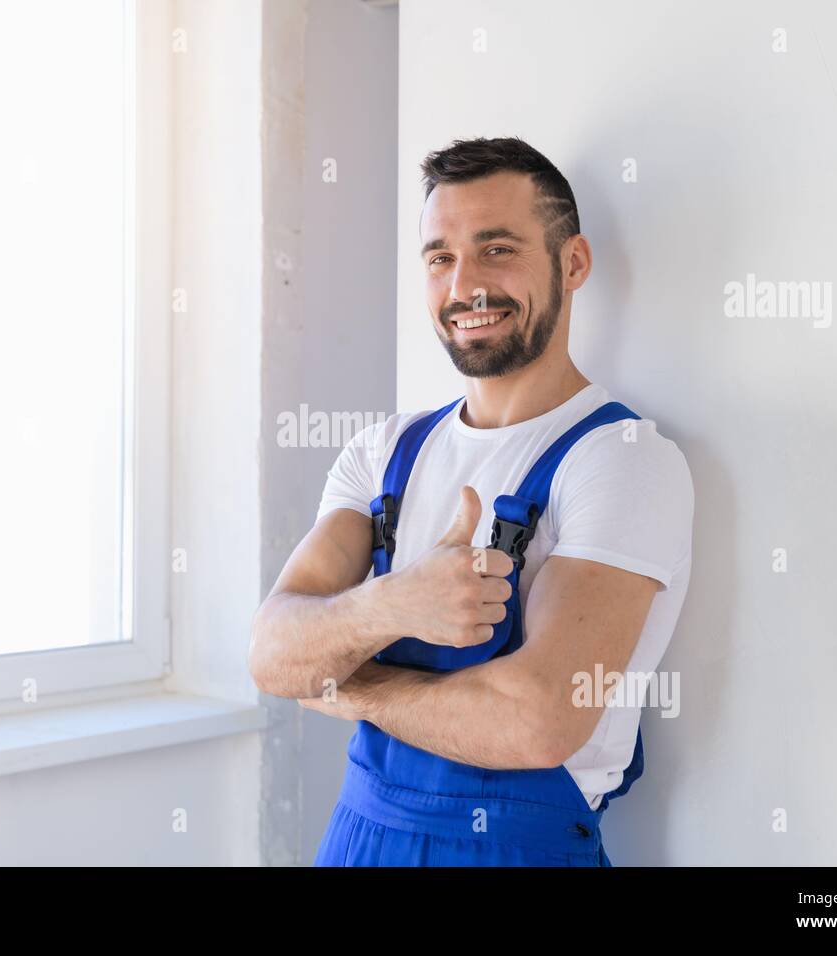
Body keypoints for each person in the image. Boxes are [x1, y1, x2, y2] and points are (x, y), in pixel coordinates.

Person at [248, 136, 694, 866]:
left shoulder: (623, 461)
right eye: (440, 258)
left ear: (572, 263)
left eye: (497, 250)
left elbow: (540, 721)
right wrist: (394, 605)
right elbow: (272, 655)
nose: (465, 287)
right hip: (356, 838)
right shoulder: (383, 451)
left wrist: (348, 682)